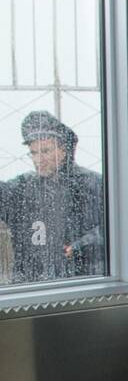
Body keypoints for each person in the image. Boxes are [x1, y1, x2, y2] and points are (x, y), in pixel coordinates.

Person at [0, 110, 104, 283]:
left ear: (64, 150)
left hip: (82, 283)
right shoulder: (22, 187)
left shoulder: (92, 184)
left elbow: (115, 228)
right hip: (30, 285)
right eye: (33, 153)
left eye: (45, 151)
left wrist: (79, 246)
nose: (38, 159)